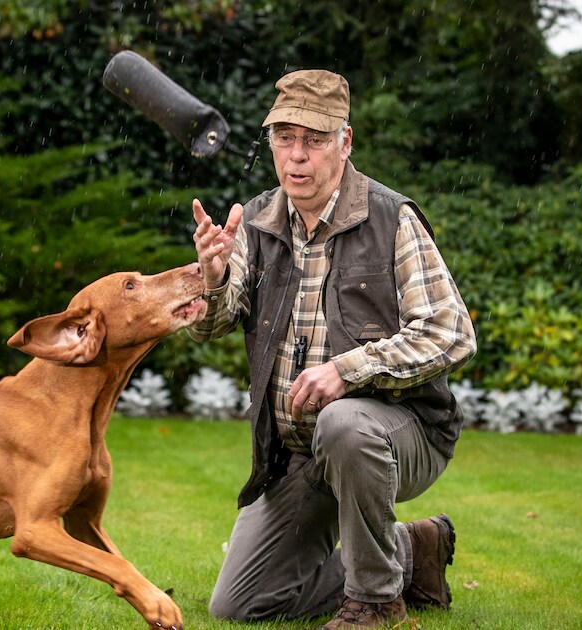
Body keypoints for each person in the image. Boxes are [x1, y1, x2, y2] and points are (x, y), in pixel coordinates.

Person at [188, 69, 477, 629]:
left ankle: (375, 602)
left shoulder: (392, 218)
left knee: (344, 423)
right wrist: (214, 277)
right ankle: (410, 552)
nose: (297, 156)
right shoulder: (258, 221)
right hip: (298, 453)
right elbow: (210, 327)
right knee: (238, 606)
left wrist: (349, 369)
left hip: (399, 433)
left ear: (345, 144)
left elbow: (452, 330)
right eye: (284, 138)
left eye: (314, 141)